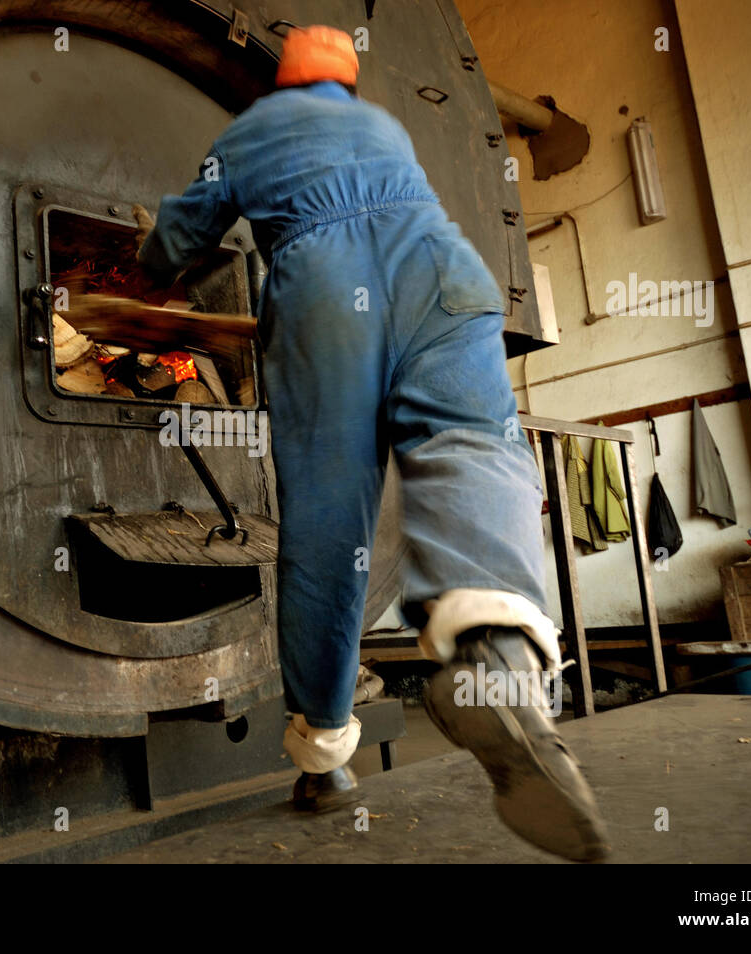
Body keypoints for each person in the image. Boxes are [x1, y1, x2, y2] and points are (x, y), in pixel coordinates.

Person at [134, 25, 608, 862]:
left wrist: (148, 262)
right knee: (474, 444)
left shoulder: (247, 133)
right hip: (444, 270)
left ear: (278, 84)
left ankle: (324, 754)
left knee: (327, 523)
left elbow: (178, 242)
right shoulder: (385, 128)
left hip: (325, 291)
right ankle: (492, 653)